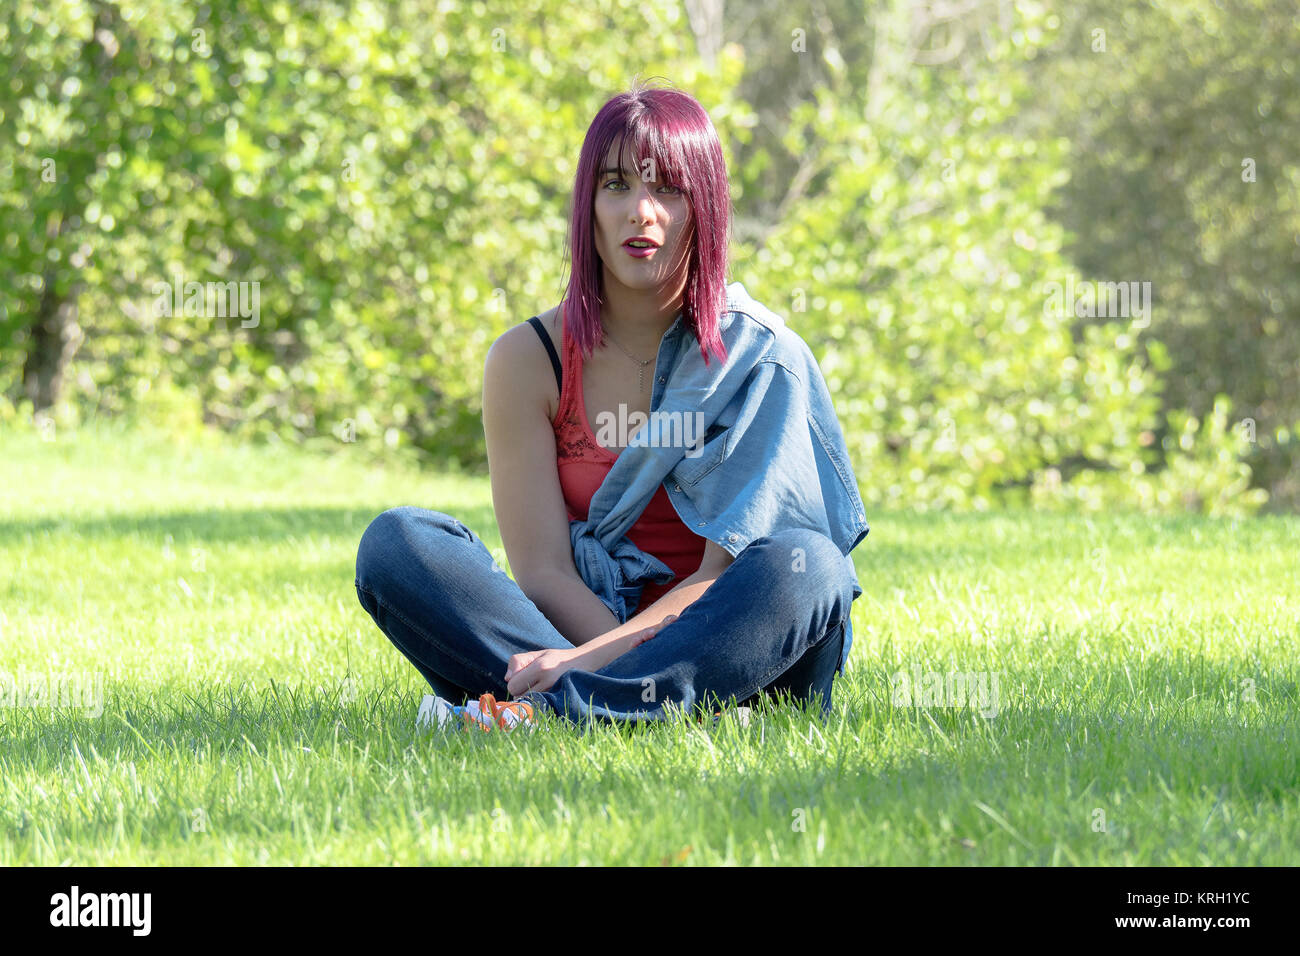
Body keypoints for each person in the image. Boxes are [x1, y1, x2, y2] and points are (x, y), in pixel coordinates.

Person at [355, 79, 869, 732]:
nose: (641, 212)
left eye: (668, 189)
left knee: (808, 564)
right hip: (574, 635)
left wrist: (584, 668)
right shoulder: (526, 360)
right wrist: (595, 663)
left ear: (703, 207)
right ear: (587, 207)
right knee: (399, 545)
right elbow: (542, 570)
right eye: (617, 185)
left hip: (737, 652)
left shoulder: (760, 357)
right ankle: (645, 715)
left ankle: (548, 714)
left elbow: (725, 574)